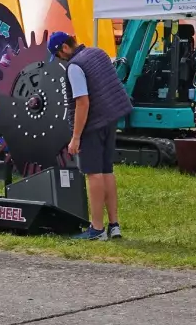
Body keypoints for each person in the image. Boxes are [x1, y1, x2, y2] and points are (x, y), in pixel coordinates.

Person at [49, 31, 134, 241]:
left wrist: (76, 136)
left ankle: (96, 229)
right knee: (107, 171)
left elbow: (82, 102)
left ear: (64, 48)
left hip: (93, 124)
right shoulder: (98, 52)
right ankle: (114, 225)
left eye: (58, 55)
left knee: (93, 173)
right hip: (111, 118)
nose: (60, 59)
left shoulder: (75, 66)